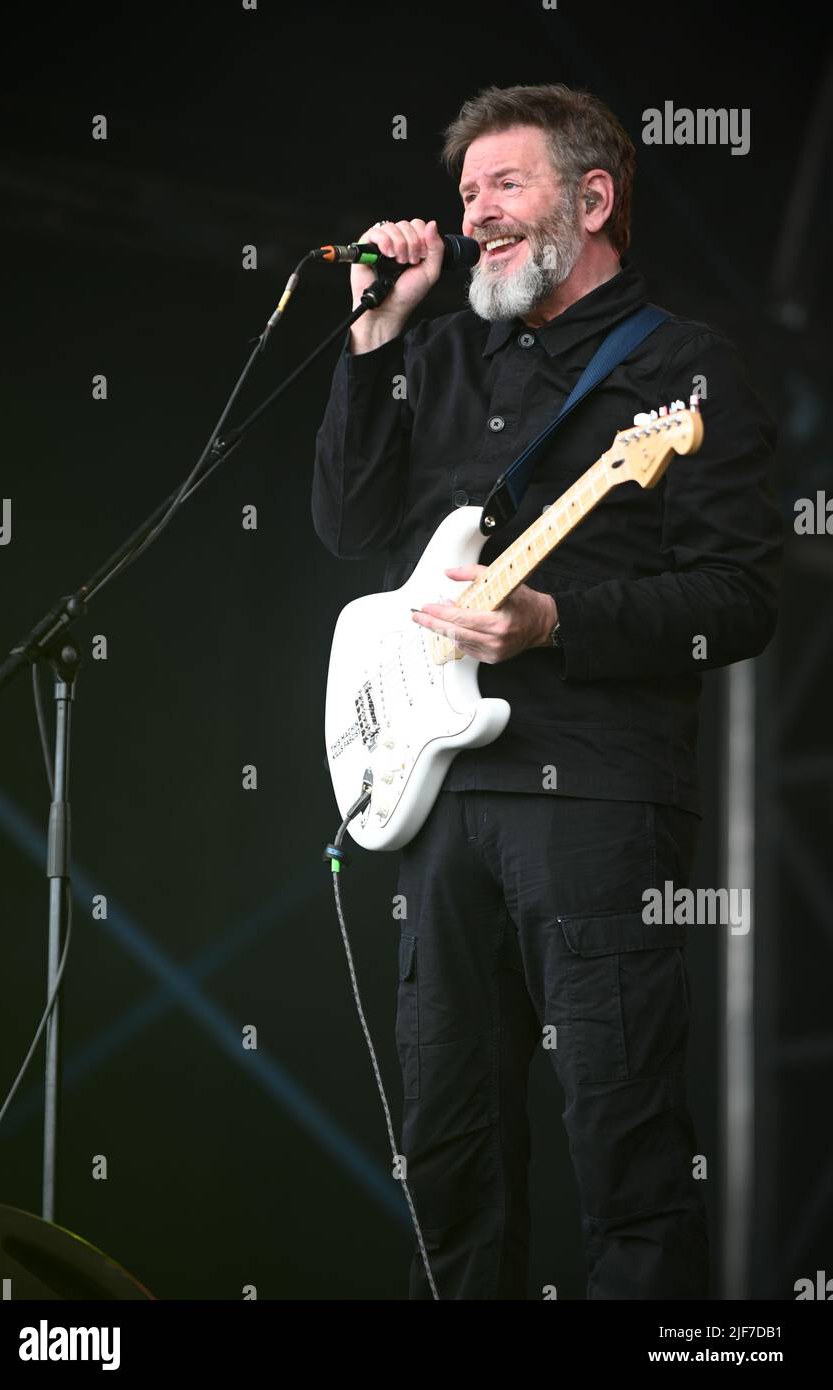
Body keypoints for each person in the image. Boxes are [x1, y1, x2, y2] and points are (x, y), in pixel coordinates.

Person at [311, 83, 782, 1300]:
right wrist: (374, 336)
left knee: (622, 1145)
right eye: (466, 198)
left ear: (593, 197)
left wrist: (556, 621)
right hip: (438, 797)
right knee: (453, 1157)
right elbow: (349, 521)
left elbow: (741, 595)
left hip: (598, 804)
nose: (476, 220)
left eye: (504, 187)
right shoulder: (449, 355)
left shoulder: (684, 369)